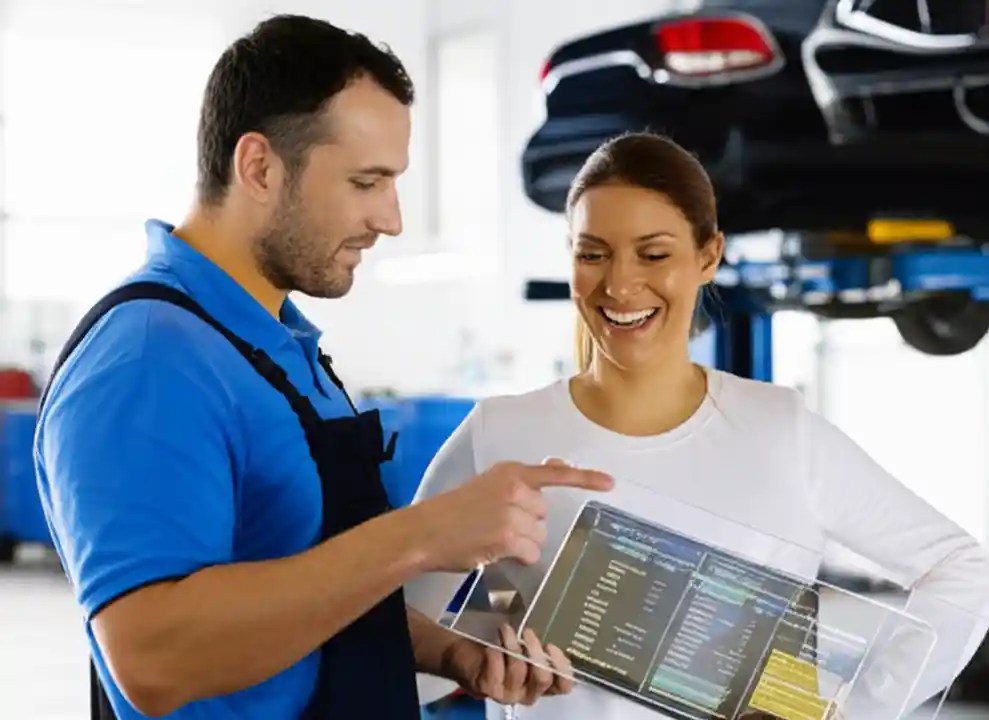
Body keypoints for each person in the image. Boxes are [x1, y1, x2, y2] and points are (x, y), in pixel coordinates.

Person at [34, 14, 609, 720]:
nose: (391, 218)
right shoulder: (150, 361)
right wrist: (423, 535)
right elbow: (152, 659)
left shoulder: (277, 345)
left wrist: (449, 652)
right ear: (259, 167)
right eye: (367, 181)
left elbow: (308, 596)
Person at [404, 132, 989, 719]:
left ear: (708, 256)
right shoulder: (501, 435)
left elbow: (961, 571)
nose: (618, 284)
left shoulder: (778, 432)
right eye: (592, 253)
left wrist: (852, 709)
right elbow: (399, 647)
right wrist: (473, 649)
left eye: (654, 253)